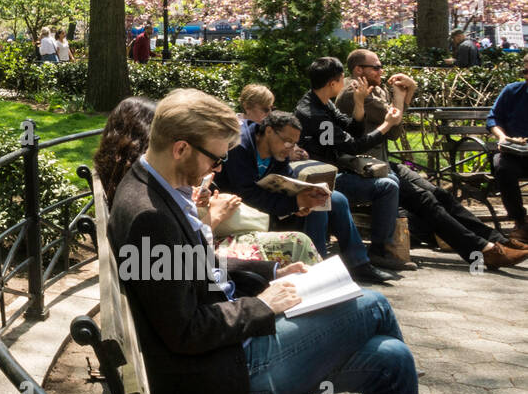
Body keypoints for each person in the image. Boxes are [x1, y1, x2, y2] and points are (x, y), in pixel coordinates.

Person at [107, 88, 481, 394]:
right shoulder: (150, 216)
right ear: (181, 148)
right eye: (215, 157)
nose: (217, 167)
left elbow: (189, 272)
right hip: (219, 377)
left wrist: (270, 270)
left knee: (392, 359)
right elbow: (184, 331)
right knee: (371, 304)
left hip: (225, 353)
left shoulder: (153, 186)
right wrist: (261, 304)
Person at [339, 47, 526, 269]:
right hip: (365, 168)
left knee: (439, 194)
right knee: (426, 201)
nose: (382, 71)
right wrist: (402, 95)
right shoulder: (355, 93)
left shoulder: (376, 91)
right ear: (359, 69)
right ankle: (483, 251)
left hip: (384, 163)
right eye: (376, 67)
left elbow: (396, 131)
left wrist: (403, 97)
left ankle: (498, 240)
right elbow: (395, 123)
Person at [96, 98, 319, 269]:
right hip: (215, 273)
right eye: (215, 159)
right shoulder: (148, 210)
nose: (219, 168)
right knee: (299, 244)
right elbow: (186, 267)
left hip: (213, 270)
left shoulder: (139, 182)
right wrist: (214, 215)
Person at [217, 111, 394, 285]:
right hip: (243, 209)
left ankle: (359, 263)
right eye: (287, 142)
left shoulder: (278, 149)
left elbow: (285, 176)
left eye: (294, 144)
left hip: (272, 203)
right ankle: (317, 269)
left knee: (335, 199)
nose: (290, 148)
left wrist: (302, 196)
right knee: (316, 209)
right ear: (269, 130)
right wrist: (295, 203)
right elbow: (246, 194)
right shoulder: (240, 147)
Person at [296, 56, 407, 272]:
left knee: (390, 179)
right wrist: (387, 125)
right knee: (388, 186)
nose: (345, 81)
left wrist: (358, 102)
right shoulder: (315, 115)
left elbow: (351, 129)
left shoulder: (322, 102)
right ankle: (378, 251)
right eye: (342, 78)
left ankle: (375, 252)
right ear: (333, 83)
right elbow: (355, 146)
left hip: (331, 172)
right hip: (322, 178)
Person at [487, 56, 528, 248]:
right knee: (503, 168)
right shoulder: (512, 91)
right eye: (525, 72)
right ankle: (520, 220)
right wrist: (503, 137)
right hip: (512, 151)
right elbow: (492, 119)